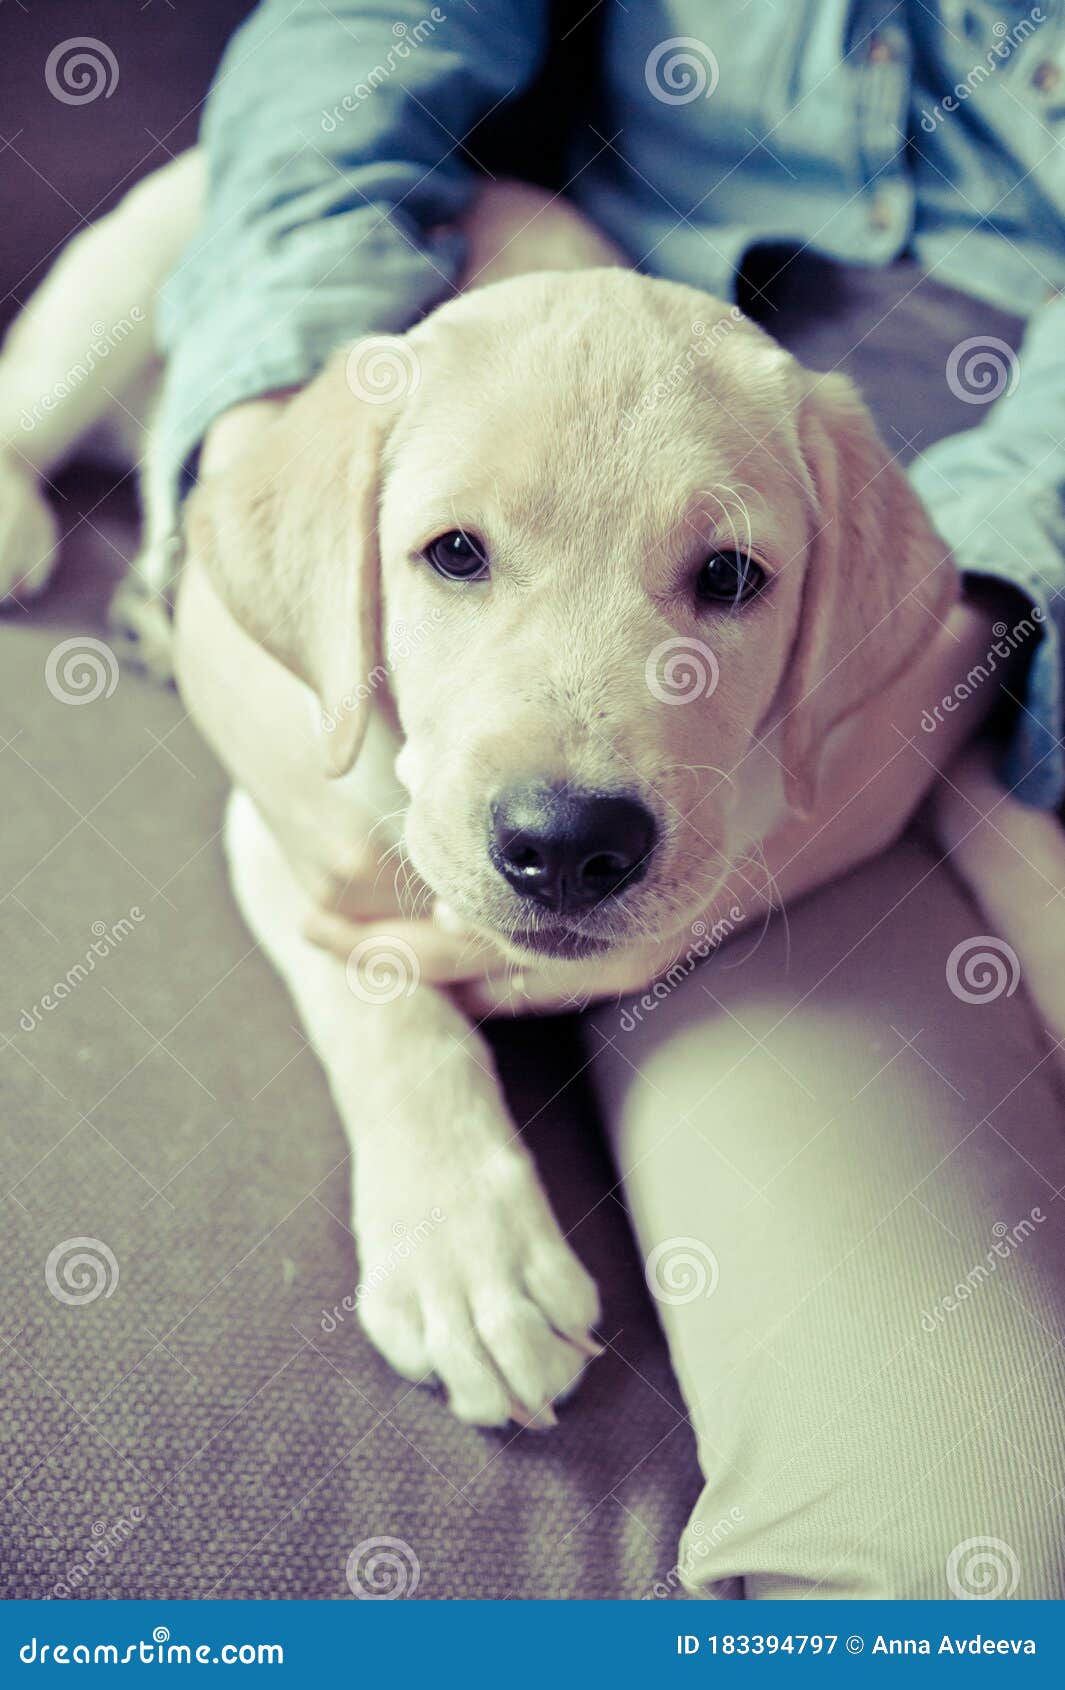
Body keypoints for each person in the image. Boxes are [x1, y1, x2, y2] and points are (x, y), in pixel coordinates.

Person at [164, 2, 1065, 1597]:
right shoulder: (422, 408)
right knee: (178, 213)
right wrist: (252, 504)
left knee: (976, 1557)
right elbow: (350, 47)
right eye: (456, 555)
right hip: (542, 330)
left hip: (950, 587)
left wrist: (937, 664)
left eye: (720, 577)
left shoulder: (847, 545)